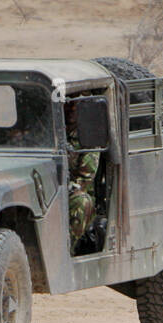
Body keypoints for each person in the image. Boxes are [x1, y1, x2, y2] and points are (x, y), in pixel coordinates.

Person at [64, 100, 99, 252]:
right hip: (45, 188)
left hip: (73, 191)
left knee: (82, 202)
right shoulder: (48, 131)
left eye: (77, 104)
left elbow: (85, 178)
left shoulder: (87, 136)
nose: (72, 108)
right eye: (68, 102)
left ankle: (67, 250)